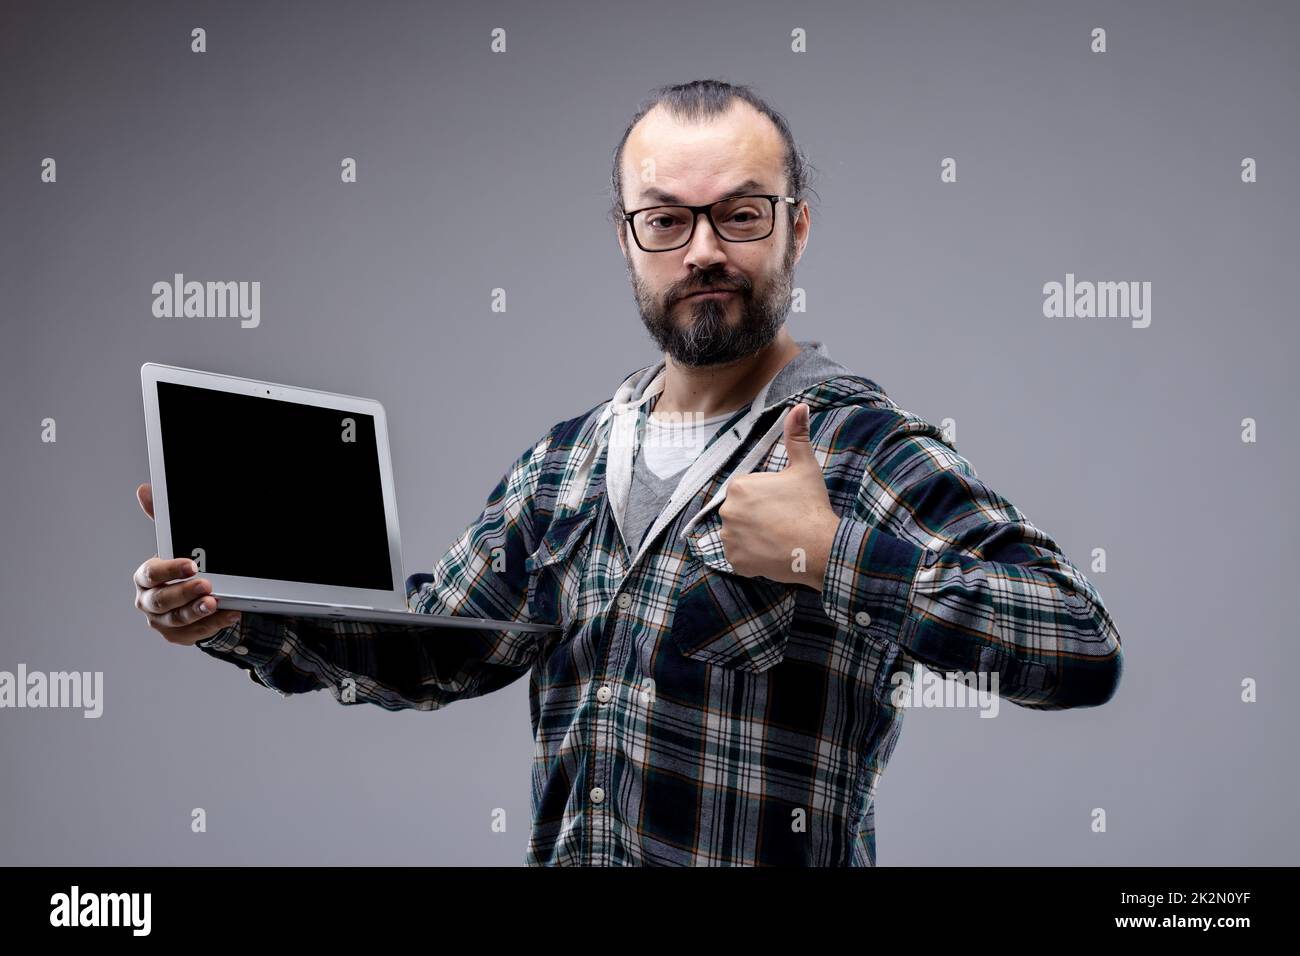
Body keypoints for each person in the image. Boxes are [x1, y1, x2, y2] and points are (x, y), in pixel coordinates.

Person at [131, 78, 1123, 866]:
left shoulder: (856, 447)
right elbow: (439, 651)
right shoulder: (564, 463)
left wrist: (833, 553)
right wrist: (241, 613)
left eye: (740, 214)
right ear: (626, 237)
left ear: (795, 230)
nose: (703, 251)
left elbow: (1079, 646)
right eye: (665, 219)